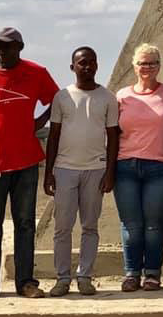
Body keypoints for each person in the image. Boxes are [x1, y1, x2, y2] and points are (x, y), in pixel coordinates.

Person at [0, 27, 59, 300]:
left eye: (6, 47)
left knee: (25, 224)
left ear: (20, 47)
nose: (1, 52)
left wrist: (38, 123)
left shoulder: (36, 73)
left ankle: (26, 282)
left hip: (26, 162)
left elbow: (57, 100)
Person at [43, 47, 119, 297]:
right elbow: (53, 135)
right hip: (65, 170)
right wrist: (49, 172)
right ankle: (62, 278)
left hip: (95, 170)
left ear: (97, 65)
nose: (87, 67)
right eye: (82, 63)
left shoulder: (107, 97)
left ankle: (85, 276)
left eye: (92, 62)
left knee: (90, 227)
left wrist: (110, 172)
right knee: (62, 227)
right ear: (72, 67)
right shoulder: (62, 96)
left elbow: (113, 137)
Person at [114, 43, 163, 292]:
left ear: (159, 66)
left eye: (152, 63)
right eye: (142, 63)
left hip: (161, 168)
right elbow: (111, 133)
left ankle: (152, 273)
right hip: (126, 167)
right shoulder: (121, 96)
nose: (147, 67)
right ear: (134, 65)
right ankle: (131, 273)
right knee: (131, 224)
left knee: (154, 223)